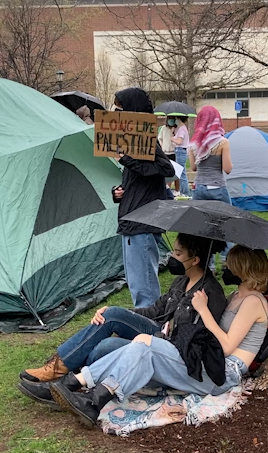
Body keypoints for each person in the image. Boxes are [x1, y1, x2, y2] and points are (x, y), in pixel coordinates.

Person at [25, 245, 268, 428]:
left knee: (144, 345)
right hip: (209, 362)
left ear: (243, 270)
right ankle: (69, 386)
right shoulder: (236, 297)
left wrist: (203, 310)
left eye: (230, 265)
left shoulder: (252, 302)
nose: (225, 268)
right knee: (140, 344)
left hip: (223, 373)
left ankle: (88, 398)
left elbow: (227, 346)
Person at [18, 234, 227, 396]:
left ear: (195, 259)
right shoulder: (181, 281)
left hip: (171, 349)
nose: (172, 257)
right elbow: (155, 311)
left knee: (108, 335)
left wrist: (202, 309)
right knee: (108, 329)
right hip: (157, 333)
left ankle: (63, 377)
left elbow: (204, 340)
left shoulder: (210, 293)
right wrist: (122, 314)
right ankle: (63, 378)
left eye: (178, 253)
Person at [110, 88, 175, 308]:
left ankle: (150, 331)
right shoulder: (132, 141)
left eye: (120, 108)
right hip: (131, 219)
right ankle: (146, 326)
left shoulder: (146, 139)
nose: (117, 111)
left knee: (144, 287)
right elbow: (137, 178)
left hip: (143, 223)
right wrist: (119, 192)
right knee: (137, 283)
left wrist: (126, 160)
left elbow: (166, 168)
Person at [188, 106, 233, 271]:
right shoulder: (223, 142)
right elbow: (227, 169)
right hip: (218, 188)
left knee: (203, 228)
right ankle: (227, 262)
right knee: (227, 225)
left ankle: (208, 266)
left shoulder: (194, 143)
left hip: (199, 188)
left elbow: (193, 167)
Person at [170, 116, 190, 196]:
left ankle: (184, 193)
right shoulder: (181, 128)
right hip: (180, 151)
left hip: (180, 151)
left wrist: (172, 139)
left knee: (181, 173)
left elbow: (179, 141)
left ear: (179, 119)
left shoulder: (182, 129)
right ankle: (184, 192)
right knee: (182, 172)